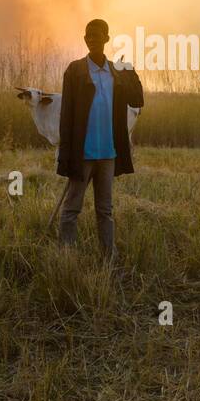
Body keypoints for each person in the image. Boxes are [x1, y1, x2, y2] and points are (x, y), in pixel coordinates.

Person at [56, 19, 144, 258]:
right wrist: (65, 157)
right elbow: (66, 116)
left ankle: (109, 256)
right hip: (82, 154)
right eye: (89, 37)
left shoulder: (117, 73)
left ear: (107, 39)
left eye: (98, 36)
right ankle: (67, 256)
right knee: (72, 209)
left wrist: (132, 72)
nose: (93, 40)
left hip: (108, 154)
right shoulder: (75, 71)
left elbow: (137, 101)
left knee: (105, 210)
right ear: (85, 40)